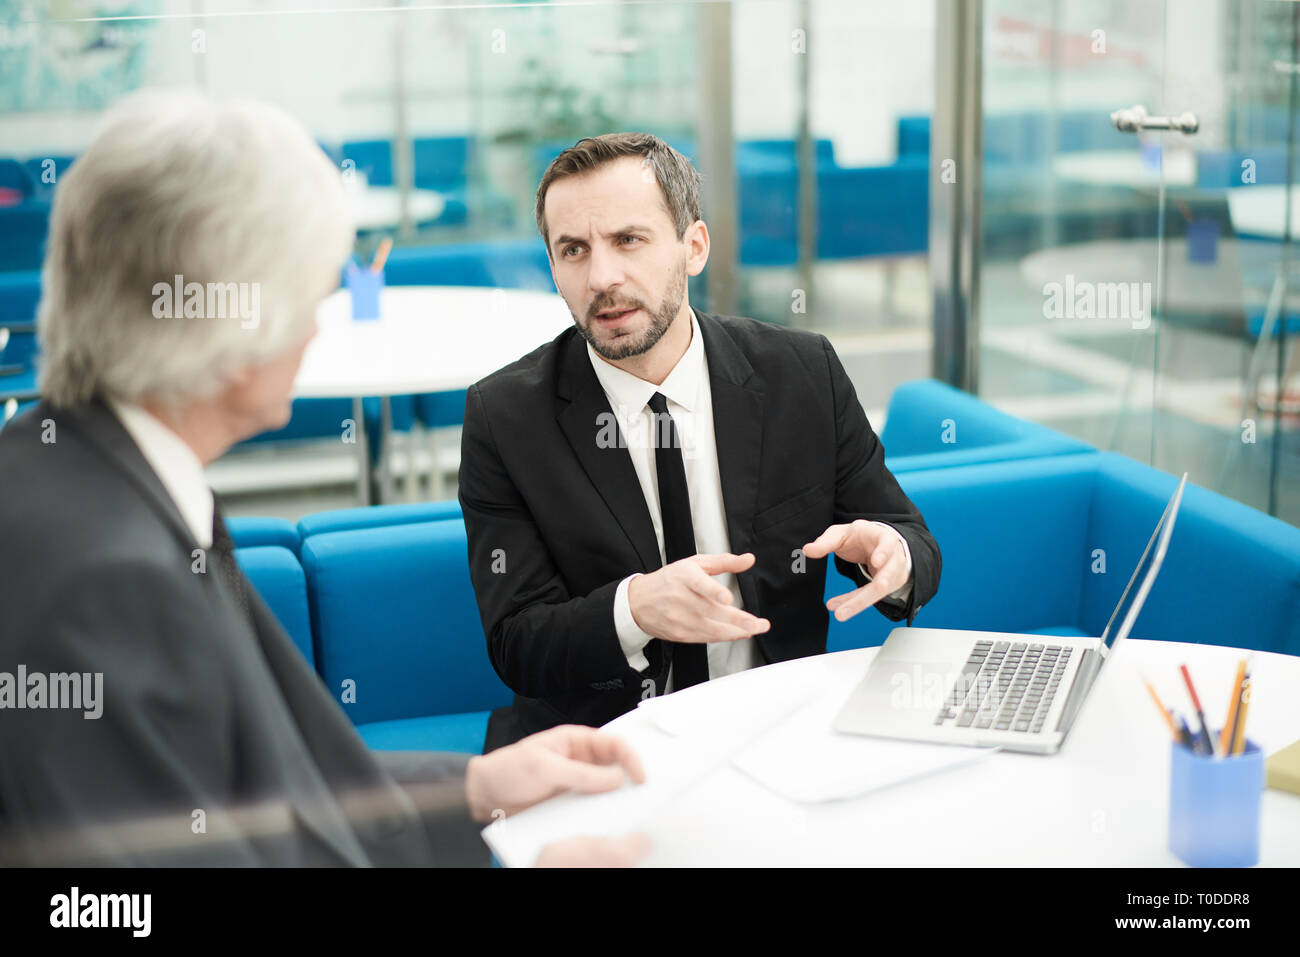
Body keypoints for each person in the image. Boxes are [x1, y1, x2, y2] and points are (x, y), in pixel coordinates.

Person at [0, 89, 648, 868]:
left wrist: (476, 786)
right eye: (313, 292)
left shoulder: (82, 479)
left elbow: (247, 788)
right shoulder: (106, 585)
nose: (319, 323)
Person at [460, 133, 942, 751]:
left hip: (778, 732)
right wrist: (633, 610)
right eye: (573, 250)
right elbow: (516, 645)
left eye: (628, 240)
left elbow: (913, 541)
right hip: (603, 744)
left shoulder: (801, 372)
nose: (602, 277)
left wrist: (892, 553)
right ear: (553, 268)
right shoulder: (506, 417)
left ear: (694, 246)